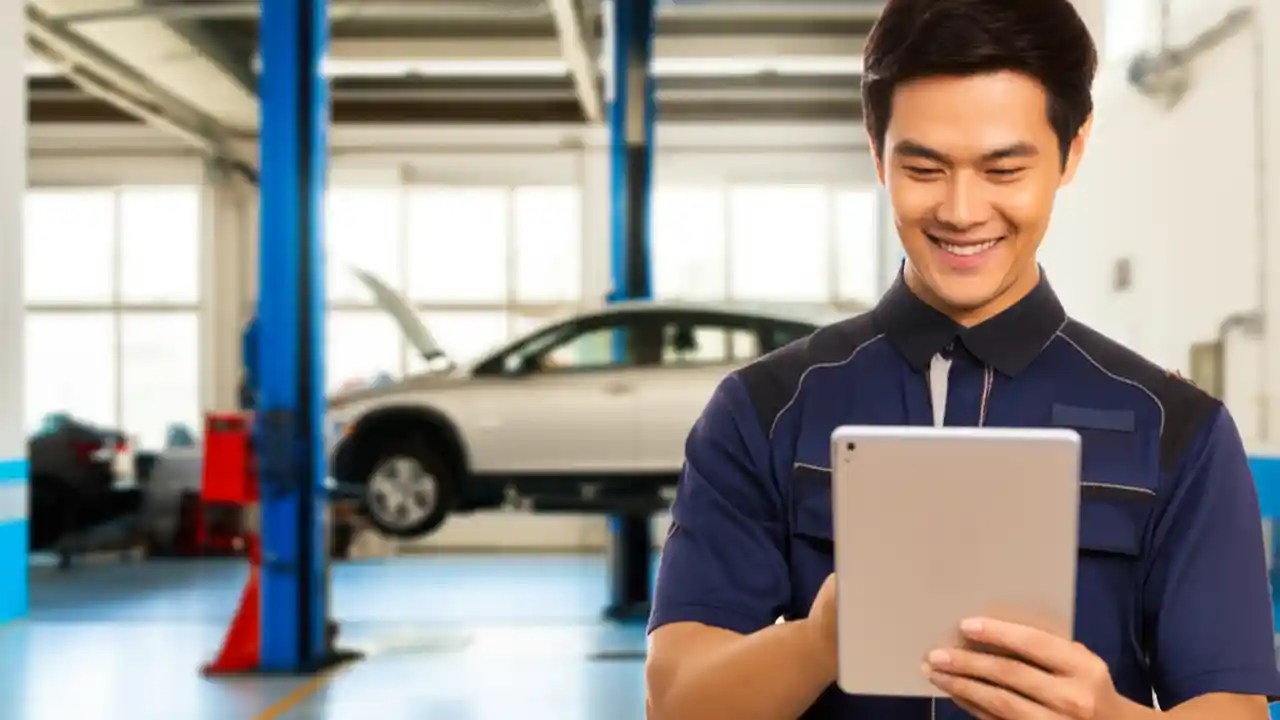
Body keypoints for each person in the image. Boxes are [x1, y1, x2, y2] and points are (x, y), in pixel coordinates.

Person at [644, 1, 1280, 719]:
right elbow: (678, 704)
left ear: (1072, 151)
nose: (961, 209)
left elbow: (1232, 710)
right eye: (923, 167)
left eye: (1004, 170)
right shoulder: (763, 411)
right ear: (875, 146)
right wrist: (823, 640)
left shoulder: (1176, 431)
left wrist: (1104, 715)